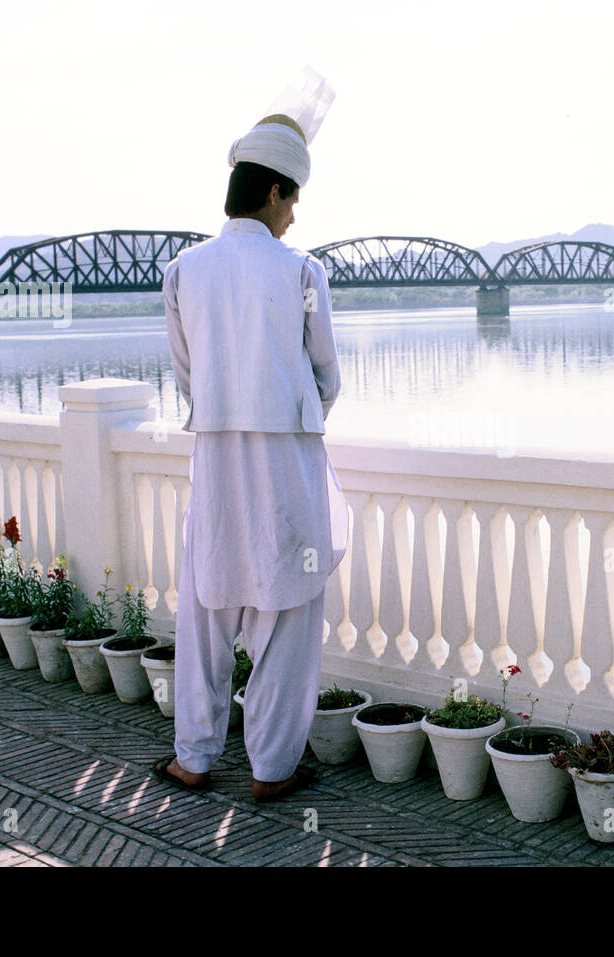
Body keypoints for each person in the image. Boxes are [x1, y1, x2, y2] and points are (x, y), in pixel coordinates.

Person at [154, 79, 347, 802]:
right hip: (286, 458)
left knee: (207, 608)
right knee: (287, 614)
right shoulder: (302, 272)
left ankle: (194, 757)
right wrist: (290, 406)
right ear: (271, 192)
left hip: (216, 455)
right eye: (292, 198)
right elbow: (327, 376)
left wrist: (228, 402)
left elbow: (186, 374)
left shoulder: (182, 273)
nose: (294, 214)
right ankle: (272, 767)